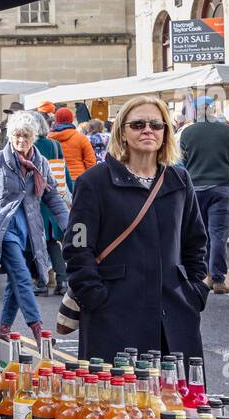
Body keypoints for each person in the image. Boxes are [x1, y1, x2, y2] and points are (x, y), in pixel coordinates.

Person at [64, 95, 208, 363]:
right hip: (113, 316)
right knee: (118, 402)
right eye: (138, 124)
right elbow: (78, 247)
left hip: (174, 313)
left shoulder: (179, 180)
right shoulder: (94, 182)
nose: (148, 131)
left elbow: (195, 241)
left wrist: (196, 291)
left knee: (175, 401)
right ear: (122, 132)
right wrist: (95, 297)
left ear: (166, 132)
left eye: (157, 124)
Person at [0, 110, 68, 339]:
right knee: (22, 276)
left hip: (30, 231)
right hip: (3, 228)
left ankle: (4, 327)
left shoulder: (40, 163)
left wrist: (69, 225)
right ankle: (37, 327)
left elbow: (52, 197)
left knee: (16, 280)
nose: (21, 141)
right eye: (16, 135)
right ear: (10, 136)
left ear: (34, 137)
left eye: (26, 136)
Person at [179, 95, 229, 295]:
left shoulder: (187, 132)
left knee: (201, 235)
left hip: (196, 187)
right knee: (219, 235)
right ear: (213, 110)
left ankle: (204, 274)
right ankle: (218, 278)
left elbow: (183, 162)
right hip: (222, 187)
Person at [31, 112, 69, 297]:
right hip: (53, 198)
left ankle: (41, 281)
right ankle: (62, 280)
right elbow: (64, 172)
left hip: (34, 199)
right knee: (53, 241)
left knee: (35, 241)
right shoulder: (55, 145)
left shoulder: (27, 146)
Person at [48, 107, 96, 181]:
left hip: (57, 179)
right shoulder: (81, 138)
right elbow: (90, 161)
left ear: (56, 120)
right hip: (79, 178)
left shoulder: (49, 139)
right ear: (72, 120)